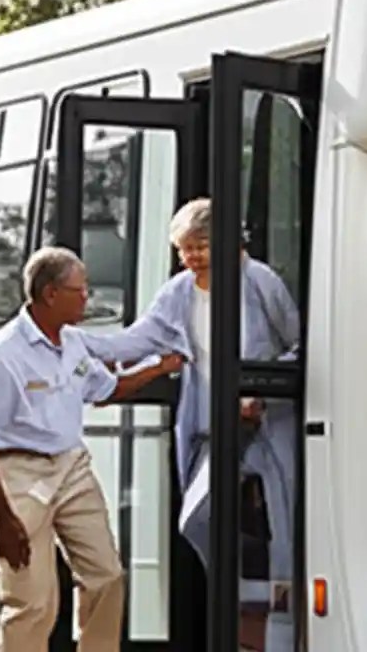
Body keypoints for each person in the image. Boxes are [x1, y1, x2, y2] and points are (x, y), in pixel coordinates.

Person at [78, 197, 301, 650]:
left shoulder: (260, 281)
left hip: (269, 421)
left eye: (198, 246)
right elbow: (136, 340)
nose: (189, 257)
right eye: (182, 249)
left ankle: (280, 632)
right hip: (213, 426)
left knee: (286, 528)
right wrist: (72, 340)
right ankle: (239, 602)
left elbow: (299, 344)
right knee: (197, 519)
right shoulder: (179, 292)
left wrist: (261, 390)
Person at [0, 246, 184, 652]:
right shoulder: (4, 353)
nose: (87, 297)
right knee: (33, 602)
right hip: (18, 475)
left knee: (107, 576)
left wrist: (159, 367)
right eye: (80, 290)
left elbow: (108, 389)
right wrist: (5, 522)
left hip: (71, 467)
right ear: (51, 295)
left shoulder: (73, 342)